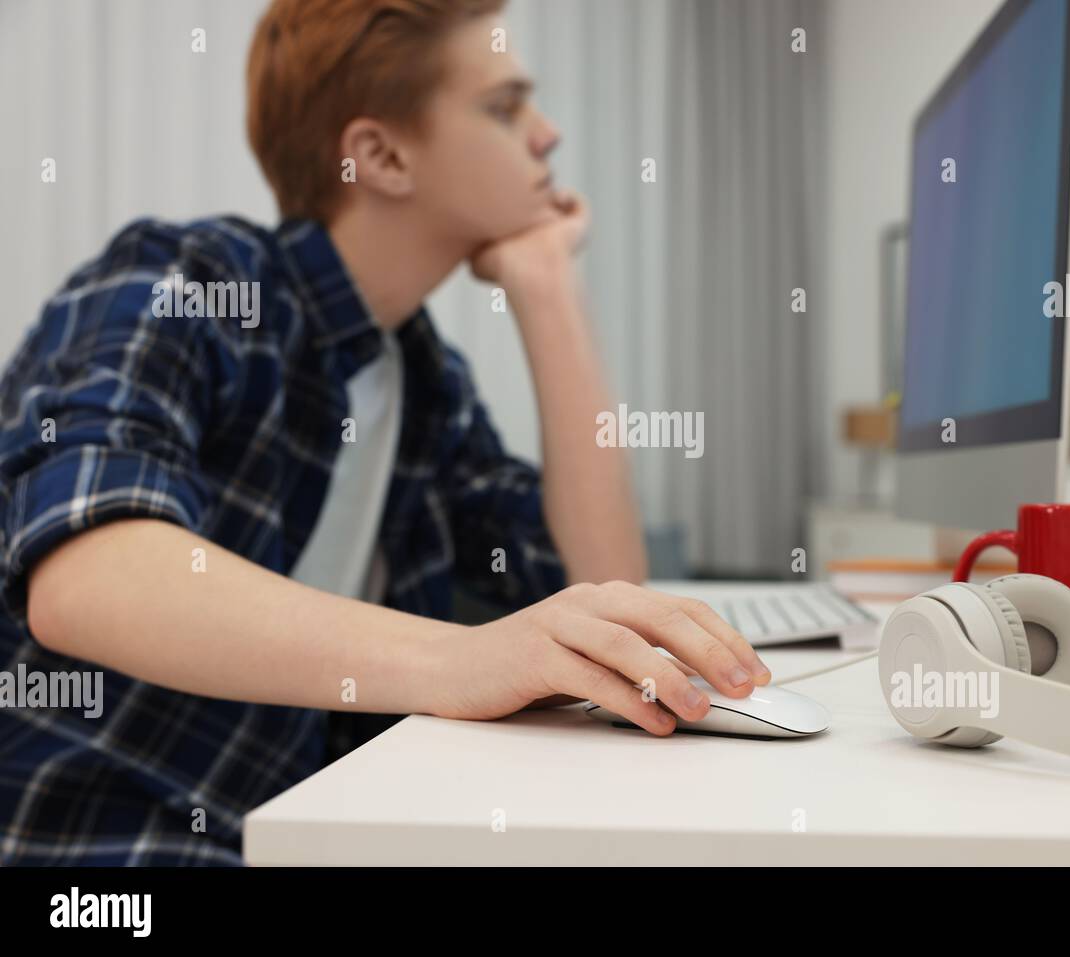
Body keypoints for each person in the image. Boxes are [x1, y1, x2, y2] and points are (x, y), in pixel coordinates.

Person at [0, 0, 770, 866]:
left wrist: (546, 283)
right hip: (100, 850)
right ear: (381, 155)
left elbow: (606, 596)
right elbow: (89, 578)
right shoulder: (187, 278)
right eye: (506, 106)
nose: (547, 135)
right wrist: (461, 660)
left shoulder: (423, 378)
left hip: (302, 832)